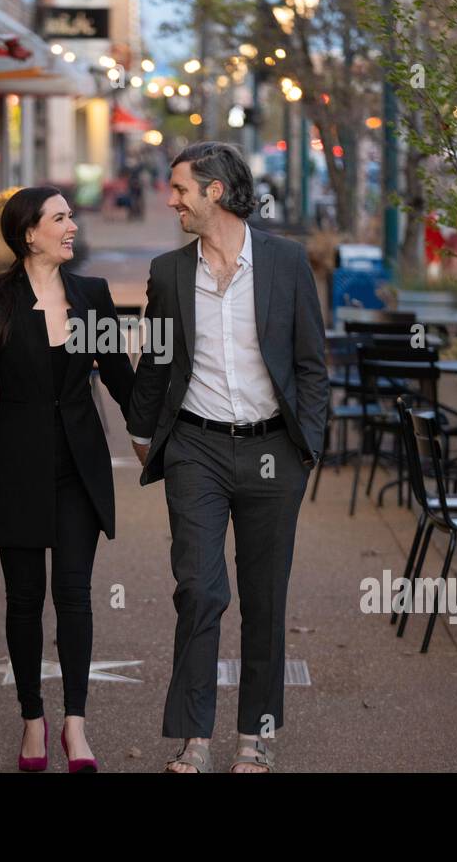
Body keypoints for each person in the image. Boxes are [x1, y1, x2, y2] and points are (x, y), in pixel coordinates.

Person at [127, 142, 327, 773]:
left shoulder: (286, 262)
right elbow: (157, 364)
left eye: (181, 188)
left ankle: (255, 736)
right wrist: (142, 435)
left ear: (215, 191)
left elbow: (311, 366)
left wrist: (306, 450)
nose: (171, 199)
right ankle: (194, 737)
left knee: (264, 597)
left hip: (273, 452)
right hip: (197, 448)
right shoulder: (167, 272)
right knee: (199, 588)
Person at [0, 186, 134, 772]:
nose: (72, 226)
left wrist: (158, 425)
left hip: (79, 469)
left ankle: (74, 727)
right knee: (25, 599)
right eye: (60, 218)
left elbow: (118, 377)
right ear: (29, 233)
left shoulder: (92, 295)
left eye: (71, 217)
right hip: (15, 469)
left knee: (76, 596)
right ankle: (33, 720)